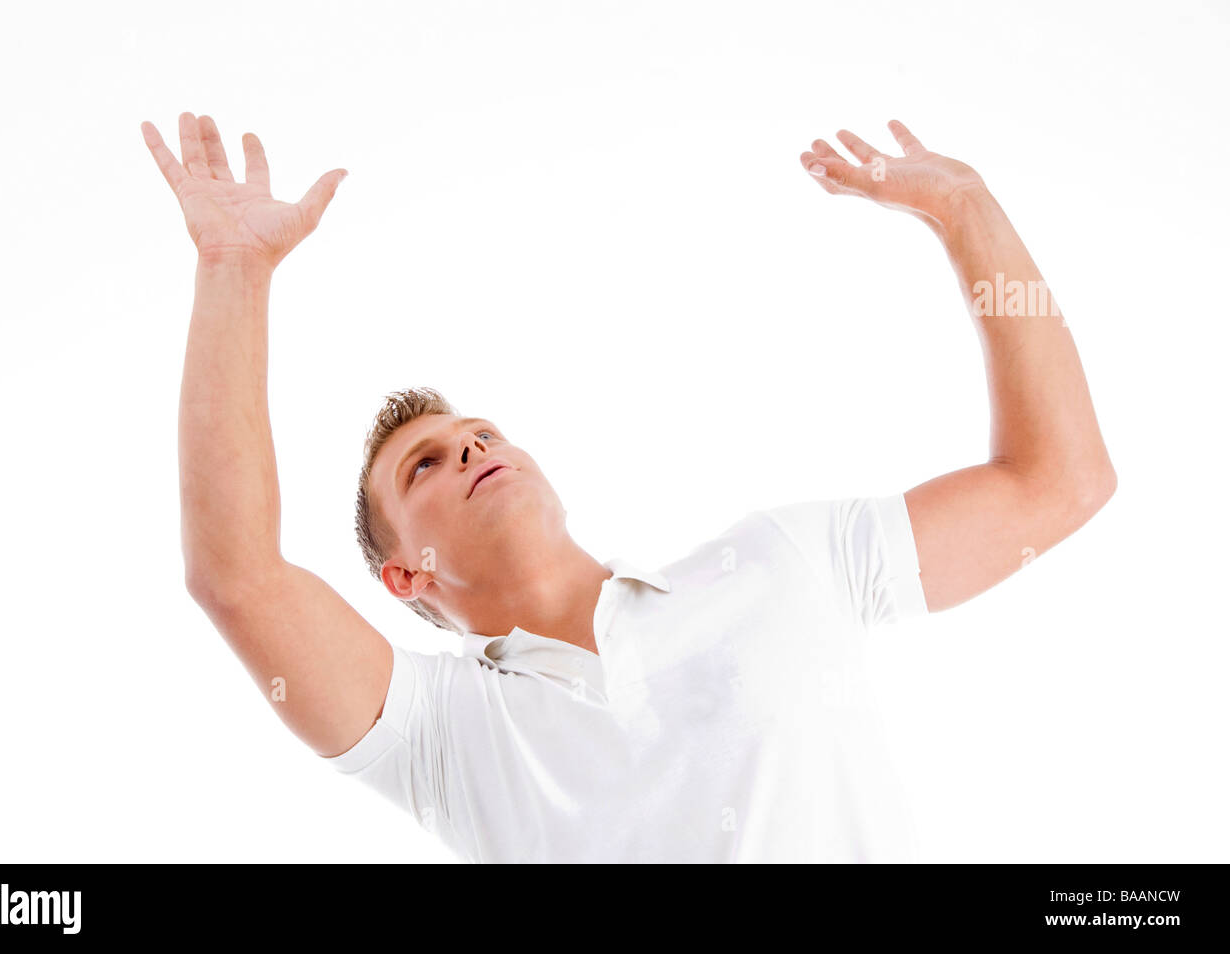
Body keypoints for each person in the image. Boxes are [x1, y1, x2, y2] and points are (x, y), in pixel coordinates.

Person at [142, 112, 1116, 862]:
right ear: (405, 577)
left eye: (481, 432)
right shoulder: (442, 734)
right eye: (424, 465)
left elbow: (1059, 481)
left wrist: (967, 211)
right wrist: (235, 269)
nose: (473, 450)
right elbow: (236, 575)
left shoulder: (785, 560)